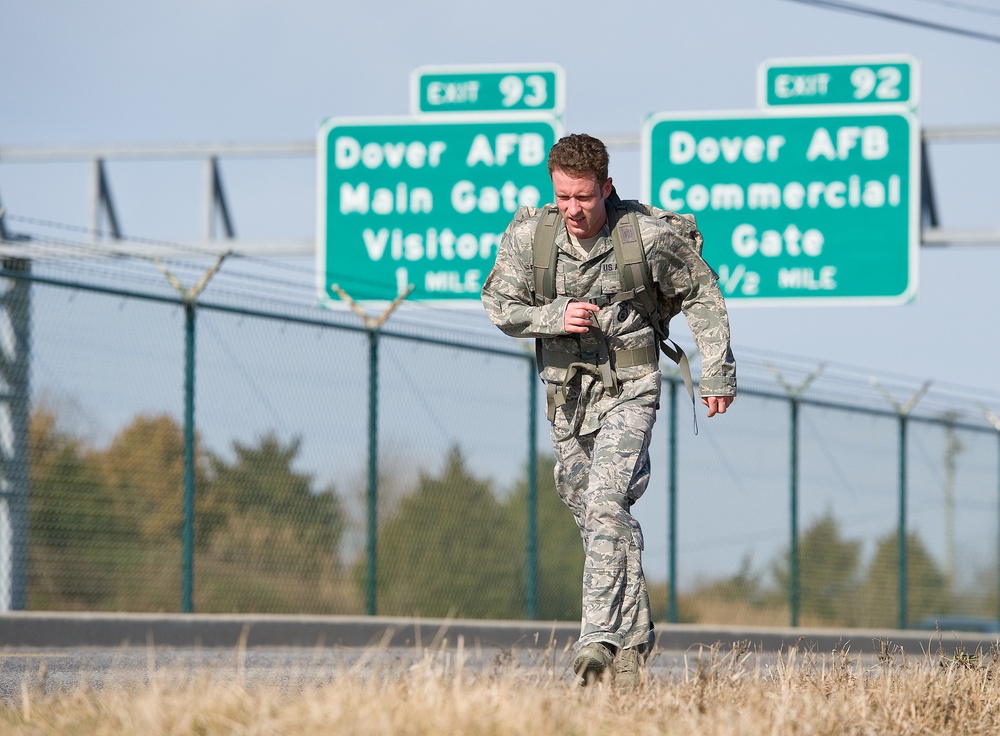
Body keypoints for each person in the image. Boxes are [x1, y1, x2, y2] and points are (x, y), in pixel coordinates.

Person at [481, 133, 736, 688]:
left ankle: (596, 638)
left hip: (631, 386)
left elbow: (702, 292)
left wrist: (716, 370)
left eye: (585, 197)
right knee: (587, 506)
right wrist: (553, 317)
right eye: (564, 197)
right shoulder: (531, 237)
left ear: (607, 188)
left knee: (605, 502)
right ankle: (637, 635)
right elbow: (498, 304)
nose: (574, 209)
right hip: (567, 394)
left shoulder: (645, 237)